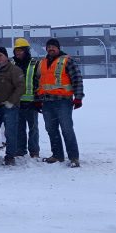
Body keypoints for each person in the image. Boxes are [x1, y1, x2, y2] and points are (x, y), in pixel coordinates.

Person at [36, 39, 85, 167]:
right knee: (51, 130)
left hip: (63, 102)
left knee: (67, 129)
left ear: (58, 48)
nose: (50, 49)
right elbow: (37, 82)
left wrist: (78, 97)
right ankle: (57, 155)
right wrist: (37, 100)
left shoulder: (67, 60)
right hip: (47, 102)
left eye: (53, 47)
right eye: (48, 47)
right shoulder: (42, 63)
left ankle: (74, 157)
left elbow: (77, 79)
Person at [0, 47, 26, 166]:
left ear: (6, 56)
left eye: (0, 55)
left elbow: (21, 87)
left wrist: (11, 101)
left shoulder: (14, 70)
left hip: (10, 106)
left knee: (10, 132)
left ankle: (10, 156)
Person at [12, 38, 41, 159]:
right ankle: (20, 150)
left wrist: (39, 99)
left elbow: (40, 82)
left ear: (26, 50)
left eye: (20, 50)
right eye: (16, 50)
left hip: (32, 102)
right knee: (19, 128)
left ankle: (34, 151)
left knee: (33, 129)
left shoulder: (35, 64)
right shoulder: (12, 64)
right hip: (17, 102)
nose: (18, 53)